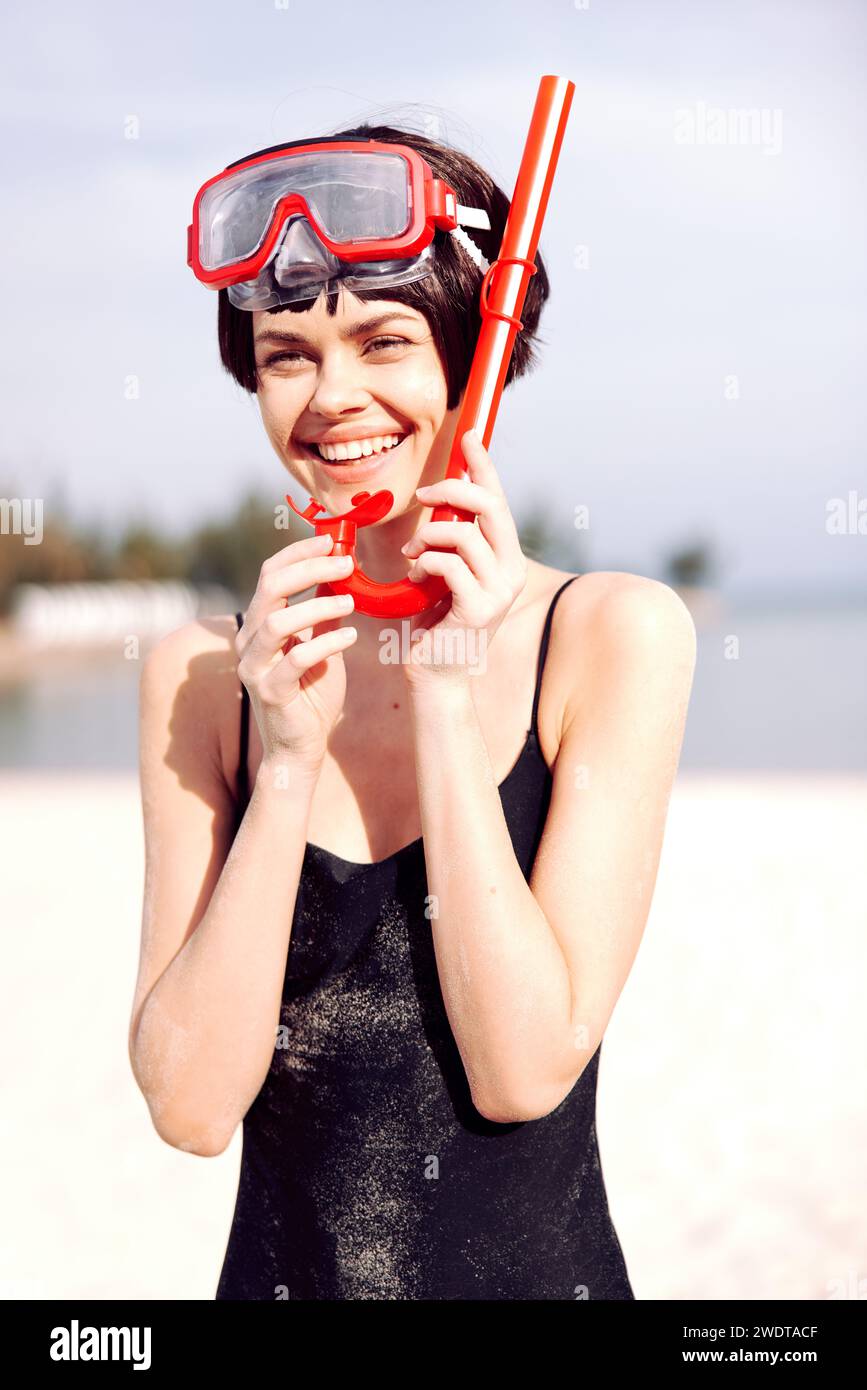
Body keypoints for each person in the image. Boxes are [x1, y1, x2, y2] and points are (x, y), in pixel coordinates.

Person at [128, 122, 696, 1300]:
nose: (332, 399)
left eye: (383, 341)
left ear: (474, 361)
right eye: (287, 355)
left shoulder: (610, 638)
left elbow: (523, 1067)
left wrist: (444, 689)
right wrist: (284, 766)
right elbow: (189, 1106)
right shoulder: (204, 679)